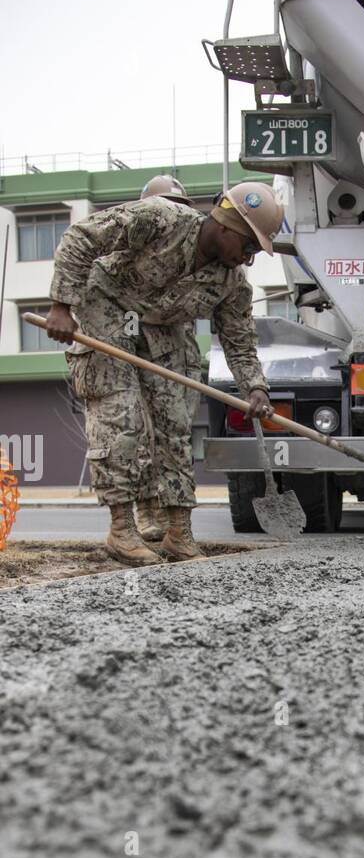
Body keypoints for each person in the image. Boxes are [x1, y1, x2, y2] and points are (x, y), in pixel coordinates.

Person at [45, 182, 282, 566]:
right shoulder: (160, 218)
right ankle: (122, 530)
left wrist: (255, 388)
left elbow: (239, 341)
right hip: (108, 306)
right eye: (250, 246)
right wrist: (61, 306)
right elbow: (81, 237)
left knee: (174, 424)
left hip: (162, 325)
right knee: (121, 416)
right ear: (226, 226)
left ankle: (178, 532)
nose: (249, 258)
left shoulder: (232, 283)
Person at [133, 175, 201, 543]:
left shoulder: (190, 254)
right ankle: (146, 507)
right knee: (144, 436)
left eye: (178, 208)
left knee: (176, 437)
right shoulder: (134, 254)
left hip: (184, 358)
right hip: (143, 355)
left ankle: (170, 508)